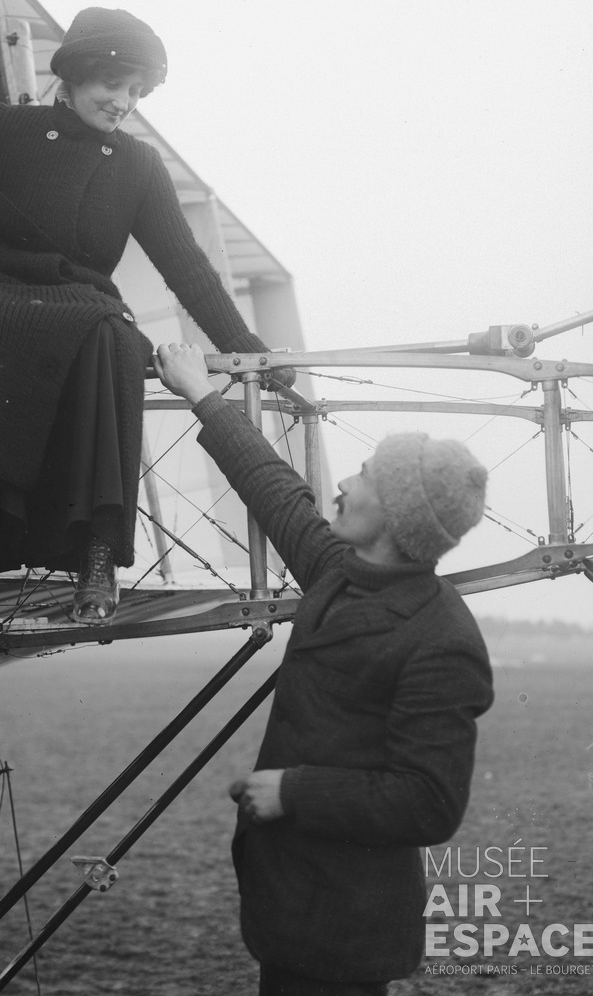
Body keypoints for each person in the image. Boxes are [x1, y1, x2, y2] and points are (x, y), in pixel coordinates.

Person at [0, 7, 291, 622]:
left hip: (81, 297)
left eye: (137, 92)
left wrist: (248, 345)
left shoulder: (139, 164)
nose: (124, 103)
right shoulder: (3, 128)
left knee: (112, 341)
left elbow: (185, 266)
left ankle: (98, 551)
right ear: (76, 75)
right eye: (114, 86)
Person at [152, 341, 494, 996]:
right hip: (295, 902)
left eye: (363, 474)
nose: (342, 483)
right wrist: (201, 393)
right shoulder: (342, 570)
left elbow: (430, 801)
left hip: (346, 928)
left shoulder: (442, 638)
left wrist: (293, 792)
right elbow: (275, 488)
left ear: (394, 516)